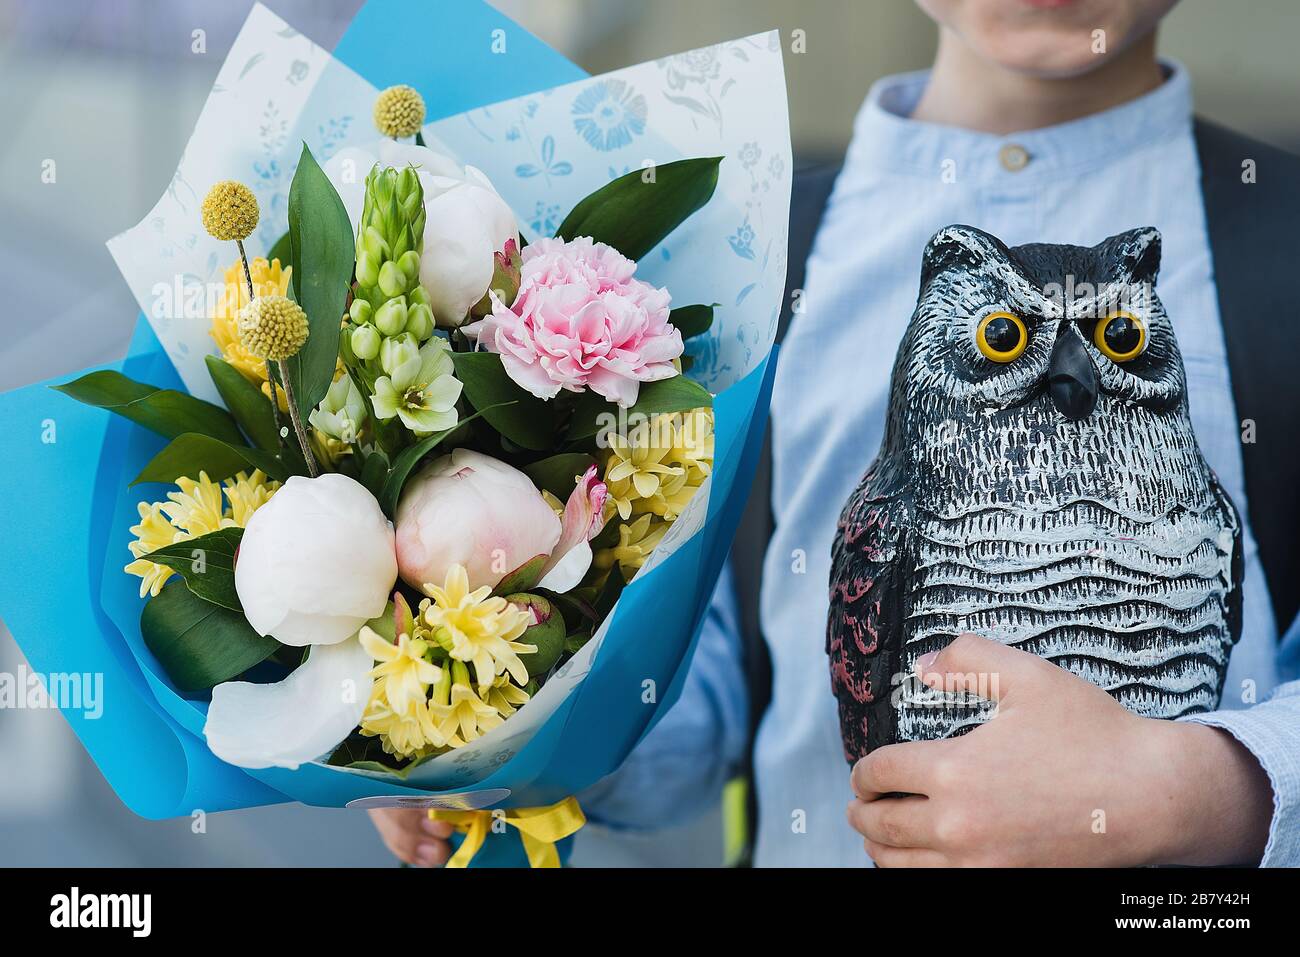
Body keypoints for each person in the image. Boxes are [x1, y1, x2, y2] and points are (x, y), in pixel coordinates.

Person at [369, 0, 1300, 867]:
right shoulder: (740, 256)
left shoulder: (1280, 240)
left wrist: (1203, 790)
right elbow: (704, 700)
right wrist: (502, 731)